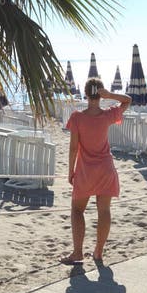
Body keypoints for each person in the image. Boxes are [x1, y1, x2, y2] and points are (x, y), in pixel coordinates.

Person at [60, 77, 131, 265]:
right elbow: (127, 100)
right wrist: (110, 95)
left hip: (85, 171)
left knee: (77, 210)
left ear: (85, 93)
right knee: (104, 210)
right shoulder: (108, 115)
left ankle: (77, 253)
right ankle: (98, 252)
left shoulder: (77, 117)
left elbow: (73, 148)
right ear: (100, 95)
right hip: (105, 169)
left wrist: (70, 171)